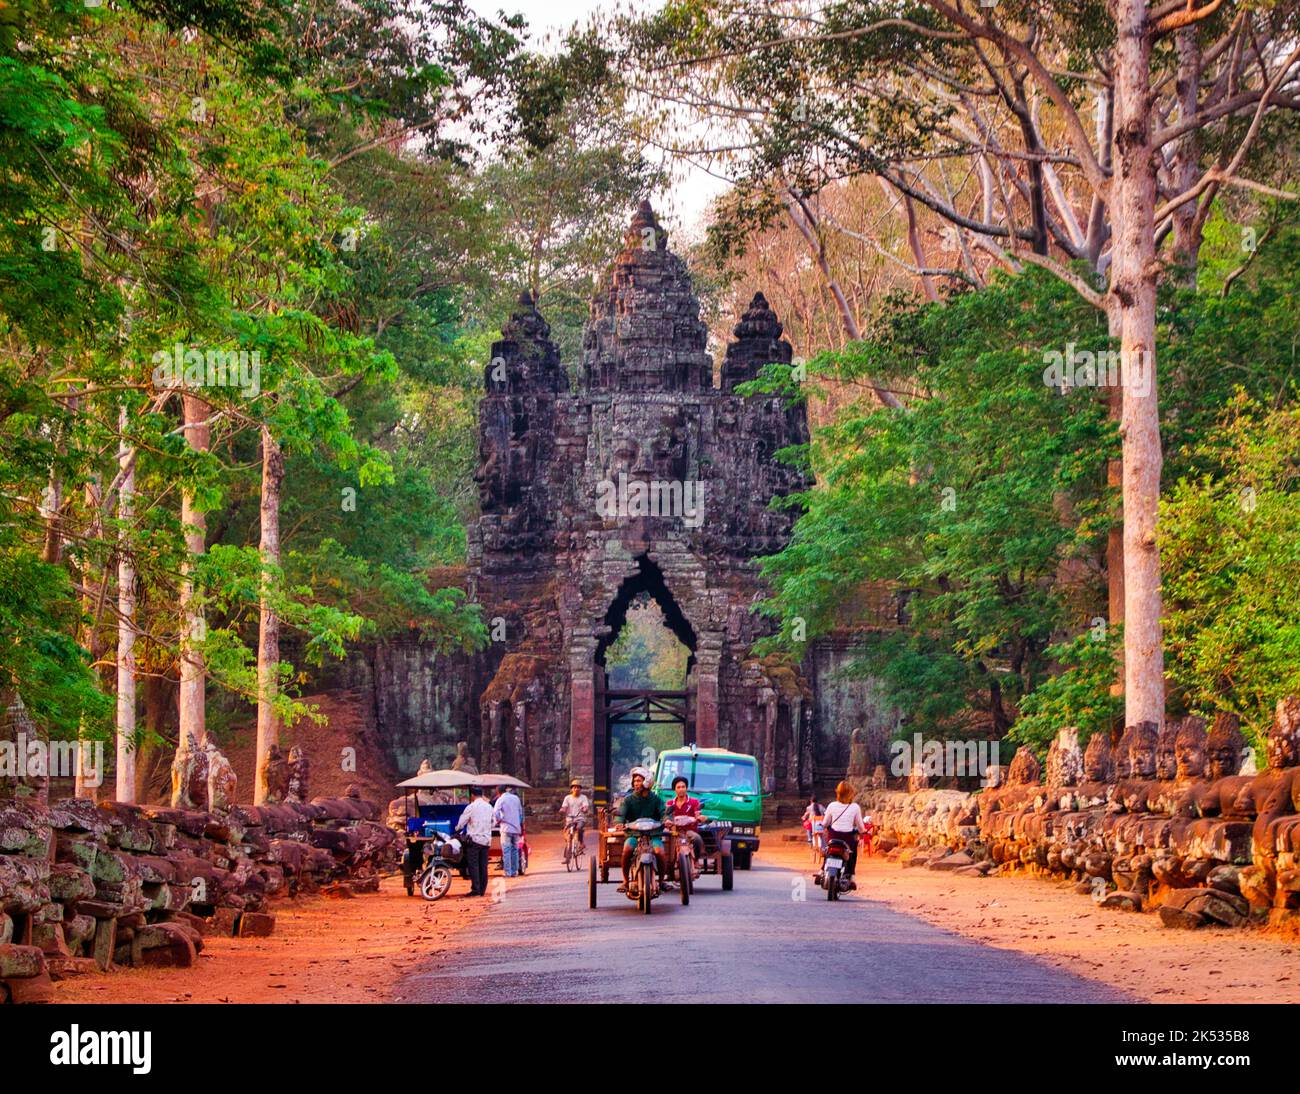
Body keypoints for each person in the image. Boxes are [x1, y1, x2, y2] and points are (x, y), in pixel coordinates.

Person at [617, 766, 666, 892]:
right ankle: (626, 881)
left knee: (660, 852)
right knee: (627, 849)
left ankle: (661, 881)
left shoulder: (655, 799)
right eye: (635, 781)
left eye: (639, 781)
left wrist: (667, 819)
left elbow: (664, 812)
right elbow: (621, 813)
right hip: (634, 834)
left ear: (646, 782)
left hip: (653, 835)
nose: (636, 784)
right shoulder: (628, 800)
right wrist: (619, 822)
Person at [823, 780, 868, 887]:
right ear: (851, 793)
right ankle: (850, 875)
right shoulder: (855, 807)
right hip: (848, 838)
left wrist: (824, 826)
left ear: (837, 793)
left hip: (833, 836)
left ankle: (822, 870)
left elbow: (825, 823)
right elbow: (860, 826)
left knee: (828, 851)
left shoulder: (831, 805)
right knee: (852, 854)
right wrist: (863, 832)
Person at [456, 785, 493, 896]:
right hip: (486, 840)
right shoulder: (489, 806)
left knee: (474, 865)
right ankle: (482, 889)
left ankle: (476, 889)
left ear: (472, 795)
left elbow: (461, 822)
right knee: (483, 865)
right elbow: (494, 821)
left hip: (474, 840)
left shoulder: (471, 807)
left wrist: (457, 829)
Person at [664, 775, 706, 863]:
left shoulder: (694, 802)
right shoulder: (670, 803)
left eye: (683, 787)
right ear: (674, 789)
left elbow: (697, 813)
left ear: (686, 788)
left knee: (697, 839)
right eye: (678, 787)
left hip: (689, 831)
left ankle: (695, 861)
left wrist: (699, 818)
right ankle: (666, 863)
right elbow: (666, 815)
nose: (681, 789)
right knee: (662, 843)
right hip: (674, 831)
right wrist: (667, 820)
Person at [493, 783, 525, 877]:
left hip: (506, 828)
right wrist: (518, 823)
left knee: (506, 850)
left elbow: (495, 812)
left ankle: (508, 872)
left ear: (498, 792)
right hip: (516, 828)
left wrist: (499, 820)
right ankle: (514, 871)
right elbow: (520, 813)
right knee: (515, 850)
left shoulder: (501, 799)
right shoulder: (516, 798)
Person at [559, 779, 590, 852]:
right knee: (567, 833)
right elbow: (564, 807)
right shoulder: (567, 798)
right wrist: (562, 810)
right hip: (570, 819)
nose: (576, 789)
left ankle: (581, 843)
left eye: (578, 787)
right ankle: (568, 851)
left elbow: (586, 807)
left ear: (580, 789)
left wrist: (585, 809)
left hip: (580, 818)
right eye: (574, 787)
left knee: (579, 828)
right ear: (571, 789)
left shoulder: (583, 797)